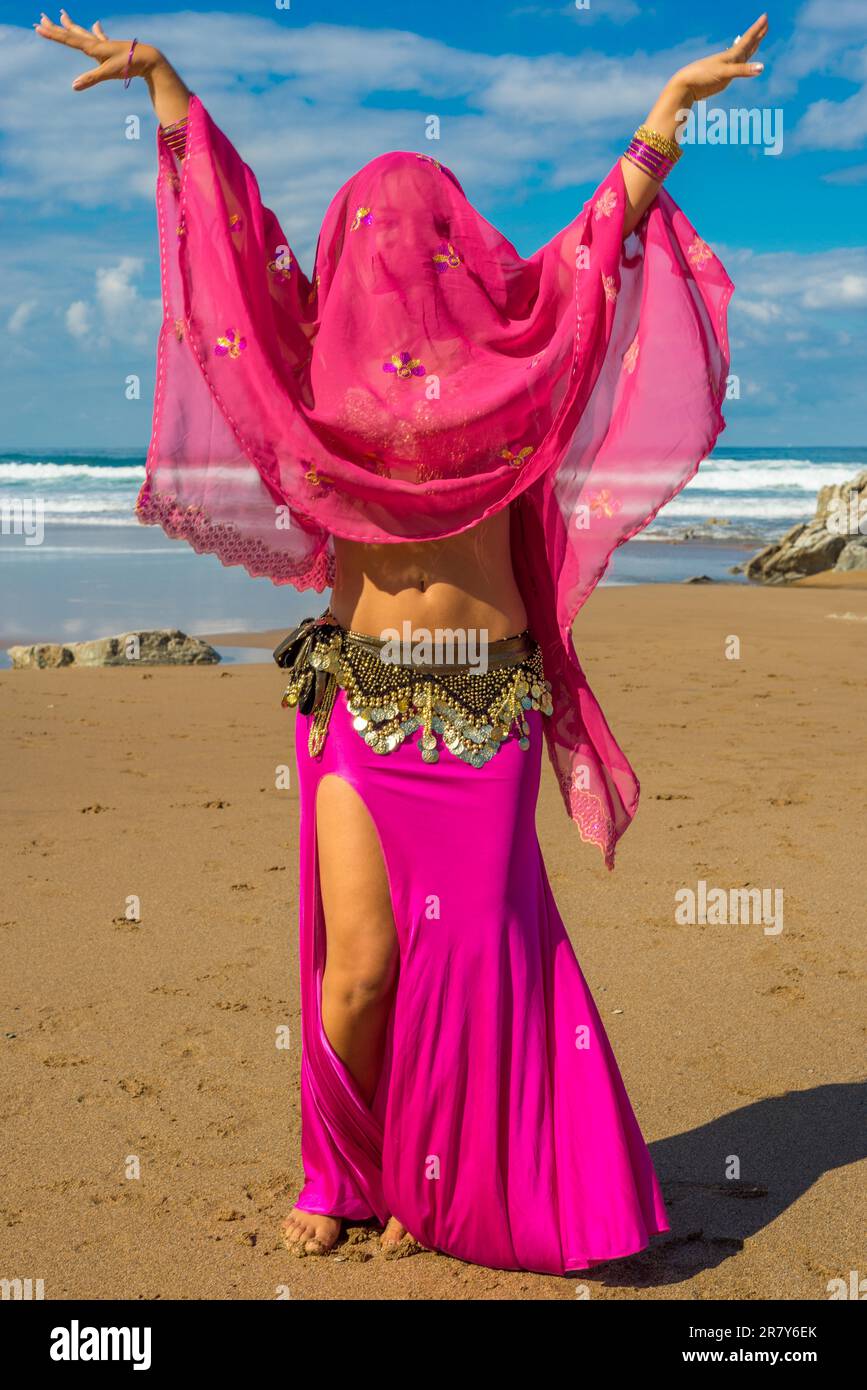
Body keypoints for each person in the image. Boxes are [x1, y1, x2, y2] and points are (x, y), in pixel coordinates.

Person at [36, 10, 768, 1275]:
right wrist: (167, 91)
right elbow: (225, 255)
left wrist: (670, 110)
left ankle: (474, 1181)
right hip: (359, 700)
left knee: (481, 957)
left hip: (485, 706)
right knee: (361, 971)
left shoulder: (515, 351)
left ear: (458, 244)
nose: (393, 250)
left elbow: (599, 247)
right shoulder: (311, 362)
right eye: (369, 231)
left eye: (421, 230)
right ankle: (349, 1171)